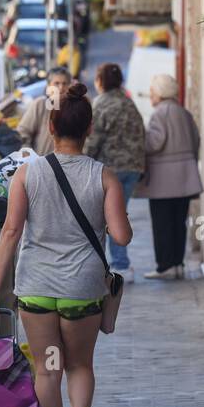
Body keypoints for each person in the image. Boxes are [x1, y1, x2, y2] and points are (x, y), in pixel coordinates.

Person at [0, 82, 133, 407]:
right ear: (90, 128)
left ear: (51, 125)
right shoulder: (103, 176)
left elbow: (11, 232)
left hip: (37, 291)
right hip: (82, 291)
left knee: (48, 370)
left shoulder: (28, 174)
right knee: (80, 365)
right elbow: (122, 237)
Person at [135, 73, 202, 280]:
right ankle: (178, 264)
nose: (150, 96)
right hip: (184, 177)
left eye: (152, 92)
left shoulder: (159, 114)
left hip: (163, 180)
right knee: (178, 222)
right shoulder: (184, 113)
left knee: (162, 223)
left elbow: (154, 143)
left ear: (160, 93)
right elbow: (196, 140)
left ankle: (165, 266)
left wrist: (140, 138)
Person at [84, 62, 145, 276]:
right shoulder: (129, 103)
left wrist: (80, 161)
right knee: (119, 214)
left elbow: (93, 139)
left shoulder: (100, 104)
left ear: (100, 82)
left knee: (107, 217)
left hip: (111, 170)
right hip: (133, 168)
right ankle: (121, 264)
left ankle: (118, 265)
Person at [16, 67, 71, 156]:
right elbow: (23, 132)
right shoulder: (40, 105)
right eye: (56, 83)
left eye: (65, 83)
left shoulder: (75, 109)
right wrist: (28, 155)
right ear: (49, 86)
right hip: (40, 164)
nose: (61, 88)